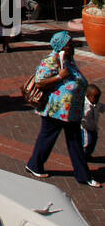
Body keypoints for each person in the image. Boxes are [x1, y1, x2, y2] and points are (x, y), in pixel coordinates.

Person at [26, 32, 100, 185]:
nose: (72, 46)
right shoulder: (51, 60)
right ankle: (35, 165)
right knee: (48, 139)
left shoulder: (68, 59)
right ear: (61, 46)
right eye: (69, 44)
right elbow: (40, 82)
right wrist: (60, 77)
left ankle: (82, 175)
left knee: (74, 142)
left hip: (71, 111)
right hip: (55, 110)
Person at [82, 84, 102, 161]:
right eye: (95, 97)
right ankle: (82, 155)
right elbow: (81, 114)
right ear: (88, 96)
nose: (97, 99)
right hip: (85, 127)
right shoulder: (85, 105)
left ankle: (88, 154)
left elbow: (102, 108)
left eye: (98, 97)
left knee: (93, 141)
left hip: (93, 127)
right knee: (87, 142)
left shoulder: (97, 104)